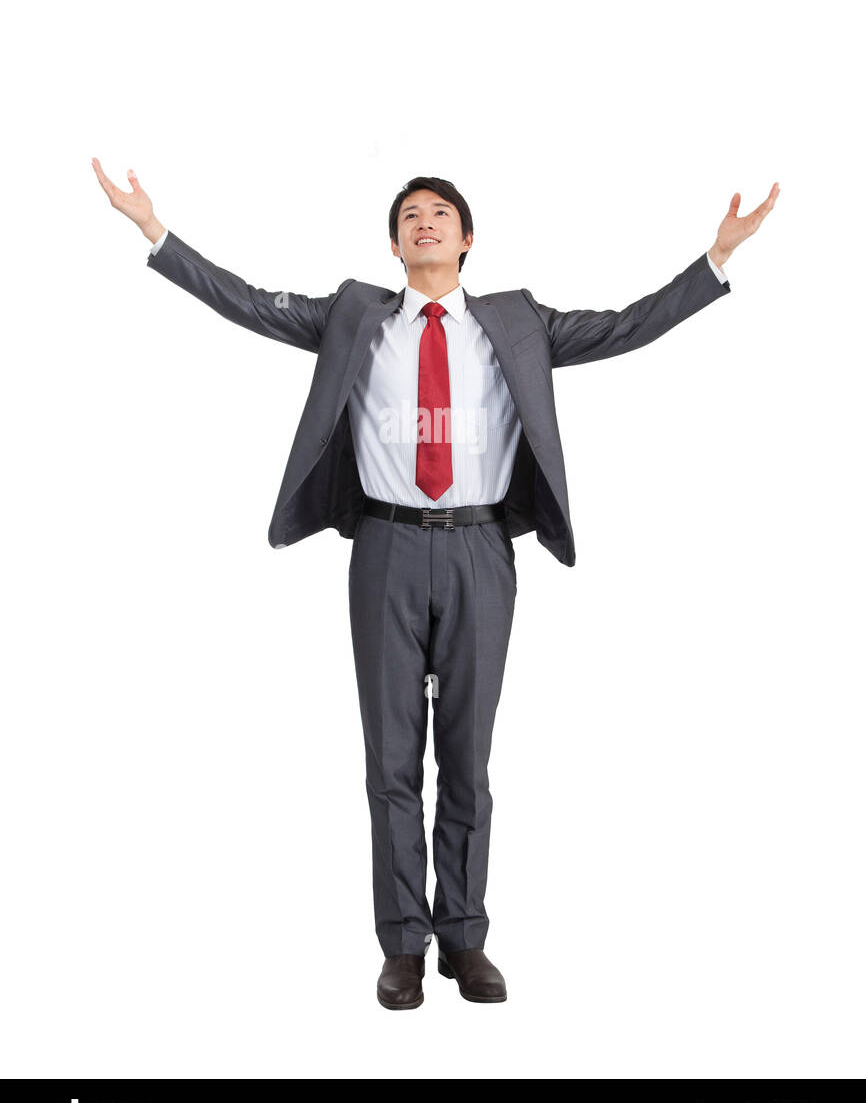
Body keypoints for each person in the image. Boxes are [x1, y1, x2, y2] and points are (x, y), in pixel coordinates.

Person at [92, 159, 779, 1010]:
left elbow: (626, 327)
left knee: (467, 759)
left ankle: (466, 938)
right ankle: (403, 947)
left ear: (467, 239)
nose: (426, 221)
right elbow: (250, 303)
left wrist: (714, 259)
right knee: (389, 763)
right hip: (382, 546)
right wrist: (156, 232)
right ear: (393, 242)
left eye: (441, 212)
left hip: (480, 550)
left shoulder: (517, 323)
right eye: (410, 214)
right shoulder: (354, 316)